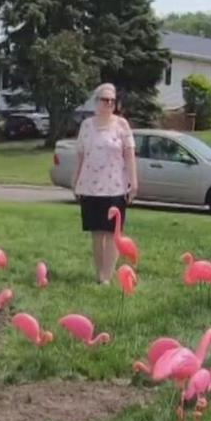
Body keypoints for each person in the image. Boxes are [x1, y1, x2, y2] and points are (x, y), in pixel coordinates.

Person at [72, 83, 138, 284]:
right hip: (90, 187)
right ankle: (99, 273)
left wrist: (133, 183)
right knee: (96, 233)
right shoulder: (87, 126)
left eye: (112, 100)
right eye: (104, 99)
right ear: (96, 101)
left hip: (115, 187)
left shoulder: (122, 125)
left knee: (112, 233)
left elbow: (129, 154)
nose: (108, 103)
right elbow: (81, 155)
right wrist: (75, 182)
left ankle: (107, 276)